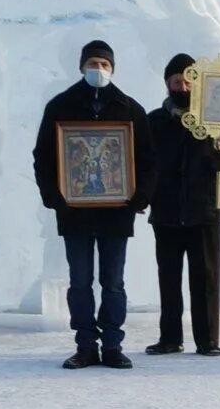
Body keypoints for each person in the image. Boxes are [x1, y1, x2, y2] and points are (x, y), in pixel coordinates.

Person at [32, 39, 155, 369]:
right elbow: (43, 156)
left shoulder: (130, 109)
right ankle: (85, 345)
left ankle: (113, 345)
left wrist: (140, 196)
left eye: (104, 64)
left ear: (112, 68)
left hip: (117, 212)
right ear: (81, 67)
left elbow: (148, 159)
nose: (98, 69)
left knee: (113, 282)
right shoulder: (61, 106)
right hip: (75, 212)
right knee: (80, 281)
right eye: (92, 64)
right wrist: (54, 196)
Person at [144, 52, 220, 356]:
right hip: (166, 211)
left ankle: (208, 339)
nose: (183, 88)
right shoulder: (154, 121)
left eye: (189, 82)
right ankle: (170, 338)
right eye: (177, 82)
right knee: (168, 279)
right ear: (168, 84)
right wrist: (142, 194)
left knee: (206, 280)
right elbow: (141, 162)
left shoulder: (216, 118)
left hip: (205, 211)